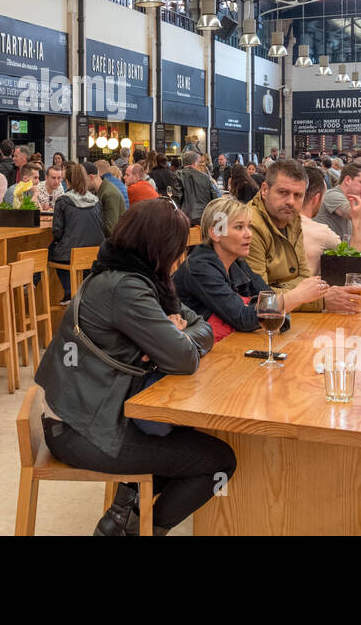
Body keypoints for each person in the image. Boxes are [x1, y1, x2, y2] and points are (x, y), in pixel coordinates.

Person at [34, 199, 235, 535]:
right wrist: (175, 338)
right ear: (159, 246)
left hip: (85, 412)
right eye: (177, 247)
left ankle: (121, 518)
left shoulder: (132, 275)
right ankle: (143, 529)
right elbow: (184, 359)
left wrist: (176, 335)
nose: (180, 257)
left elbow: (201, 326)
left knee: (186, 439)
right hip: (80, 429)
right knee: (217, 461)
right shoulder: (127, 287)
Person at [175, 195, 329, 341]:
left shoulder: (237, 262)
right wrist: (296, 296)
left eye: (249, 226)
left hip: (227, 346)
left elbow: (267, 298)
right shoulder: (200, 268)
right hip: (197, 357)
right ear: (215, 234)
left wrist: (271, 308)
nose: (249, 234)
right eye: (239, 227)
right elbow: (243, 318)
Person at [246, 160, 361, 314]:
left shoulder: (291, 218)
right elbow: (260, 296)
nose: (290, 201)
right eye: (283, 192)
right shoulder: (249, 225)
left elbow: (304, 277)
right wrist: (319, 299)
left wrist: (297, 292)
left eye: (298, 195)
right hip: (258, 324)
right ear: (264, 190)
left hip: (286, 315)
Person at [49, 163, 106, 300]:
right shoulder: (96, 200)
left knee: (50, 251)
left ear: (67, 181)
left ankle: (69, 290)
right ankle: (83, 291)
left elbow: (57, 232)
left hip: (71, 254)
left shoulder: (63, 201)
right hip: (95, 253)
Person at [299, 166, 361, 273]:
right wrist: (356, 221)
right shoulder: (321, 233)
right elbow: (355, 266)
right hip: (308, 288)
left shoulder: (273, 223)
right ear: (316, 199)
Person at [85, 162, 126, 236]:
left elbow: (111, 229)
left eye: (83, 181)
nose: (82, 184)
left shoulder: (109, 194)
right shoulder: (99, 191)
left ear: (91, 177)